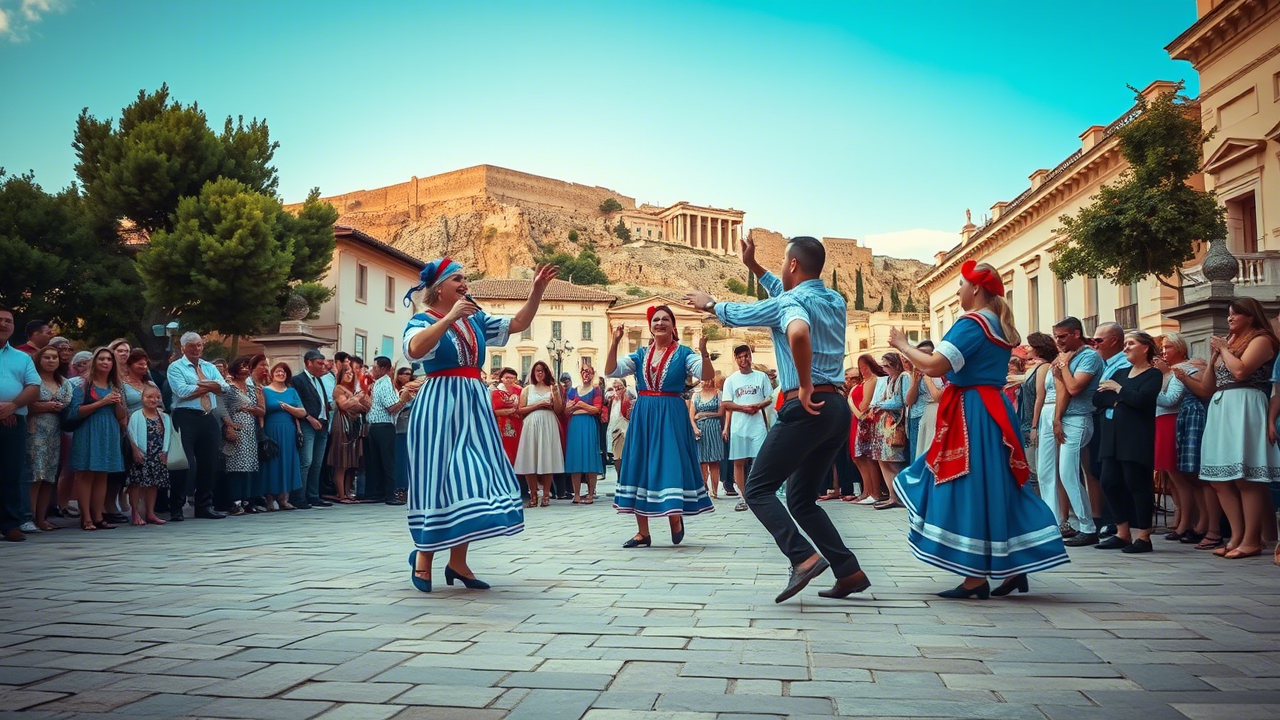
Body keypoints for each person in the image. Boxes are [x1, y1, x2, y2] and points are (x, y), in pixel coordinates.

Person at [686, 236, 865, 602]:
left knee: (757, 489)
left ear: (794, 265)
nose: (781, 268)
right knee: (801, 500)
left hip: (807, 406)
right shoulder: (834, 300)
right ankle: (849, 571)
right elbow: (784, 295)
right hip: (835, 410)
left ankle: (802, 558)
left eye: (784, 262)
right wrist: (753, 267)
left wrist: (712, 305)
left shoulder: (793, 302)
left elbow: (794, 328)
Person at [890, 259, 1068, 598]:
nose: (958, 290)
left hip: (972, 411)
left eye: (960, 284)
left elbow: (933, 365)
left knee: (966, 484)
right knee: (997, 485)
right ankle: (1014, 565)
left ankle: (975, 578)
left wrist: (903, 344)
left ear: (975, 288)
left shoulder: (971, 323)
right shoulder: (999, 327)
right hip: (991, 408)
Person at [401, 258, 557, 592]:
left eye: (465, 279)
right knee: (439, 476)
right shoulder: (421, 320)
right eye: (457, 279)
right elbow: (414, 350)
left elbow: (517, 322)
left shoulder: (475, 320)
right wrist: (450, 318)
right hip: (440, 404)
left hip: (473, 403)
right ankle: (424, 556)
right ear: (438, 287)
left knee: (476, 476)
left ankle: (457, 561)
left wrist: (537, 292)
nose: (464, 284)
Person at [604, 304, 714, 547]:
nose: (660, 323)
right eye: (655, 320)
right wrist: (615, 342)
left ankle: (675, 517)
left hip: (670, 413)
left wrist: (704, 352)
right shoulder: (640, 354)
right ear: (650, 326)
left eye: (665, 319)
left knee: (669, 463)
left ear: (674, 326)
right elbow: (610, 369)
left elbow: (706, 375)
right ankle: (643, 533)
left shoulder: (684, 353)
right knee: (638, 465)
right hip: (644, 413)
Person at [1186, 297, 1280, 559]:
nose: (1230, 319)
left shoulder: (1261, 339)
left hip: (1245, 405)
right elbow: (1207, 388)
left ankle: (1252, 539)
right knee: (1218, 478)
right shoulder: (1230, 344)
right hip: (1221, 406)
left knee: (1246, 477)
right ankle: (1236, 535)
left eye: (1235, 315)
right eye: (1228, 314)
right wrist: (1215, 355)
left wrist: (1224, 350)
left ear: (1249, 316)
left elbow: (1241, 372)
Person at [1091, 331, 1162, 553]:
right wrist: (1122, 397)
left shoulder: (1153, 375)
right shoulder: (1121, 373)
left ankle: (1144, 536)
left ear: (1145, 347)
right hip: (1112, 437)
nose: (1125, 348)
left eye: (1131, 343)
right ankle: (1123, 533)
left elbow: (1141, 400)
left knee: (1137, 483)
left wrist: (1119, 391)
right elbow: (1098, 398)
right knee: (1109, 481)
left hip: (1136, 437)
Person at [1040, 317, 1103, 547]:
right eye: (1056, 336)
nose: (1059, 340)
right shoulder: (1062, 357)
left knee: (1068, 472)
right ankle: (1066, 523)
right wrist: (1056, 418)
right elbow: (1059, 387)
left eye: (1063, 336)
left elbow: (1074, 387)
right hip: (1063, 417)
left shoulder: (1089, 356)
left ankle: (1088, 527)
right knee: (1055, 472)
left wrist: (1064, 366)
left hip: (1078, 418)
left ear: (1077, 333)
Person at [165, 333, 229, 521]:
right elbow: (182, 391)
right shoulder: (175, 367)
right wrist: (211, 386)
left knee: (209, 462)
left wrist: (200, 385)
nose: (197, 349)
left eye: (200, 345)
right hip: (185, 416)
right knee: (183, 462)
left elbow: (224, 388)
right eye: (192, 346)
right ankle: (176, 506)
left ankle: (204, 505)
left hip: (208, 416)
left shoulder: (208, 367)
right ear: (183, 347)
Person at [1154, 333, 1207, 543]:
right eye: (1163, 348)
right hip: (1162, 422)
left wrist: (1153, 385)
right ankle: (1181, 519)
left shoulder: (1183, 369)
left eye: (1168, 347)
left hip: (1172, 421)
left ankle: (1188, 523)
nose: (1164, 352)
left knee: (1182, 477)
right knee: (1173, 479)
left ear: (1181, 348)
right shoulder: (1170, 372)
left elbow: (1170, 399)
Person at [69, 347, 128, 531]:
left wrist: (117, 403)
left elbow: (120, 416)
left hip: (109, 430)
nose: (105, 362)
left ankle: (98, 516)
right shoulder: (84, 385)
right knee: (86, 474)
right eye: (101, 359)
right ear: (95, 362)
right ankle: (85, 518)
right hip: (88, 429)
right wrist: (103, 402)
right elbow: (75, 411)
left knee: (103, 474)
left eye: (108, 359)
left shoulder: (115, 386)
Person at [720, 345, 772, 513]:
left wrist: (759, 405)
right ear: (736, 359)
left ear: (750, 356)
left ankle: (757, 492)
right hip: (739, 426)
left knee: (760, 459)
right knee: (739, 462)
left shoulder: (761, 377)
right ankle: (744, 497)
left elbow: (769, 397)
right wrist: (743, 408)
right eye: (740, 357)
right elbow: (726, 403)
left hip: (757, 424)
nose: (744, 360)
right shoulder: (731, 380)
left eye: (746, 356)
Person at [26, 346, 68, 532]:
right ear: (39, 360)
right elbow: (26, 405)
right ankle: (28, 517)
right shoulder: (32, 380)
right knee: (35, 474)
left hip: (54, 431)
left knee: (49, 476)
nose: (51, 360)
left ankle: (42, 518)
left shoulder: (63, 382)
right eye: (47, 357)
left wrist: (57, 407)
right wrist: (46, 407)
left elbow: (67, 402)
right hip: (35, 429)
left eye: (54, 357)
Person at [513, 360, 564, 507]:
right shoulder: (528, 389)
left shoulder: (552, 388)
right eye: (537, 371)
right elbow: (520, 410)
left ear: (546, 372)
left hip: (548, 423)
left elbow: (559, 410)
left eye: (542, 370)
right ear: (533, 373)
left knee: (546, 458)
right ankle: (533, 494)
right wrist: (538, 405)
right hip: (531, 424)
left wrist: (556, 395)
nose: (540, 373)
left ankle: (546, 495)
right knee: (530, 458)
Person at [125, 385, 173, 526]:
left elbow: (168, 435)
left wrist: (165, 452)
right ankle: (135, 512)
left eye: (157, 397)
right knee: (136, 484)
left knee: (154, 485)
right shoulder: (137, 415)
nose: (153, 400)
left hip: (158, 455)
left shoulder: (164, 417)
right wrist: (135, 450)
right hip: (142, 454)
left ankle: (150, 513)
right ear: (142, 398)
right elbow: (131, 434)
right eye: (149, 397)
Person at [260, 362, 306, 511]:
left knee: (288, 461)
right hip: (271, 429)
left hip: (288, 430)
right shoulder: (264, 390)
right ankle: (269, 500)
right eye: (278, 371)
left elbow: (302, 412)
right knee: (271, 463)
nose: (281, 374)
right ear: (272, 373)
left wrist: (288, 408)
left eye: (284, 372)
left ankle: (284, 499)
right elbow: (261, 411)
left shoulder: (292, 391)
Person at [222, 356, 262, 515]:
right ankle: (234, 501)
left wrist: (247, 409)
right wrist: (229, 426)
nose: (245, 369)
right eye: (242, 366)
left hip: (250, 429)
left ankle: (248, 500)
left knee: (249, 466)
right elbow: (222, 409)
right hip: (235, 427)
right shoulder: (229, 389)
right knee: (235, 466)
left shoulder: (253, 389)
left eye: (247, 366)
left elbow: (261, 410)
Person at [869, 352, 909, 510]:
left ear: (895, 364)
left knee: (894, 462)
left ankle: (900, 496)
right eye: (883, 365)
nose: (884, 368)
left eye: (887, 365)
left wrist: (880, 405)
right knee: (884, 460)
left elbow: (901, 400)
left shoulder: (903, 378)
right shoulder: (890, 379)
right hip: (887, 425)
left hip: (896, 425)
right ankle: (893, 496)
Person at [1020, 333, 1057, 495]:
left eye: (1030, 345)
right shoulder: (1036, 367)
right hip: (1027, 421)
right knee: (1032, 467)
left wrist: (1034, 426)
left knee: (1034, 469)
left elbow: (1039, 397)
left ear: (1039, 349)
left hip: (1034, 422)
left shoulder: (1043, 368)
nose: (1026, 348)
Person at [565, 364, 605, 503]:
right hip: (575, 425)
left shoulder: (595, 390)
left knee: (590, 457)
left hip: (588, 424)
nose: (585, 373)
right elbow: (566, 410)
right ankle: (576, 494)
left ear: (593, 373)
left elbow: (596, 409)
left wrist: (579, 405)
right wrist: (583, 407)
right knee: (575, 458)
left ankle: (590, 494)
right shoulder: (573, 390)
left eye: (588, 371)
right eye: (583, 371)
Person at [326, 367, 366, 504]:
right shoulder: (339, 388)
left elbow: (365, 407)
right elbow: (344, 405)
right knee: (341, 461)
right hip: (343, 424)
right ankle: (341, 494)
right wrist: (357, 399)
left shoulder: (353, 390)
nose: (349, 375)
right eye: (346, 373)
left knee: (351, 462)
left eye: (351, 373)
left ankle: (348, 492)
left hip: (354, 424)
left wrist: (360, 398)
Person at [849, 354, 883, 505]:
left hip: (865, 422)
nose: (863, 370)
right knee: (858, 457)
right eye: (860, 367)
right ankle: (866, 491)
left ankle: (874, 492)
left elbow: (863, 408)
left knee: (868, 458)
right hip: (857, 421)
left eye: (865, 367)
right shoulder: (864, 383)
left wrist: (850, 402)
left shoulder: (873, 381)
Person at [364, 356, 399, 503]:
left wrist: (402, 401)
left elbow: (390, 407)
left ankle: (383, 493)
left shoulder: (382, 384)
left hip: (380, 426)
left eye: (374, 367)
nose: (372, 370)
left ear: (383, 369)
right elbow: (390, 406)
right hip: (380, 426)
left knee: (382, 462)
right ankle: (384, 494)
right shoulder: (381, 384)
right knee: (381, 461)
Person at [690, 372, 725, 500]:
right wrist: (694, 428)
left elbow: (721, 412)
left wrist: (705, 414)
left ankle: (715, 490)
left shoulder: (718, 393)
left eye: (708, 379)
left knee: (714, 460)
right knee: (702, 460)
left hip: (714, 427)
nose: (706, 382)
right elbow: (692, 415)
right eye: (703, 380)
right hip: (700, 428)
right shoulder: (696, 395)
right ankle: (704, 487)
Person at [391, 367, 422, 507]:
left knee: (410, 460)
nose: (407, 377)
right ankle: (400, 489)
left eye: (409, 374)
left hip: (412, 428)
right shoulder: (397, 389)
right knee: (401, 460)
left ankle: (409, 489)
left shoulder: (416, 392)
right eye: (404, 374)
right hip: (400, 427)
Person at [491, 367, 523, 466]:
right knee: (506, 451)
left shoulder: (520, 390)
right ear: (501, 379)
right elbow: (496, 411)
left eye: (512, 378)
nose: (509, 380)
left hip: (519, 425)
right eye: (507, 377)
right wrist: (512, 410)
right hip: (504, 426)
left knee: (519, 450)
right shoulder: (496, 392)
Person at [605, 378, 634, 478]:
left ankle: (624, 479)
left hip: (624, 430)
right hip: (614, 430)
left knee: (622, 457)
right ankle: (620, 479)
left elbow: (629, 415)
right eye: (615, 388)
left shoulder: (627, 398)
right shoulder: (612, 399)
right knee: (617, 457)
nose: (617, 390)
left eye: (619, 387)